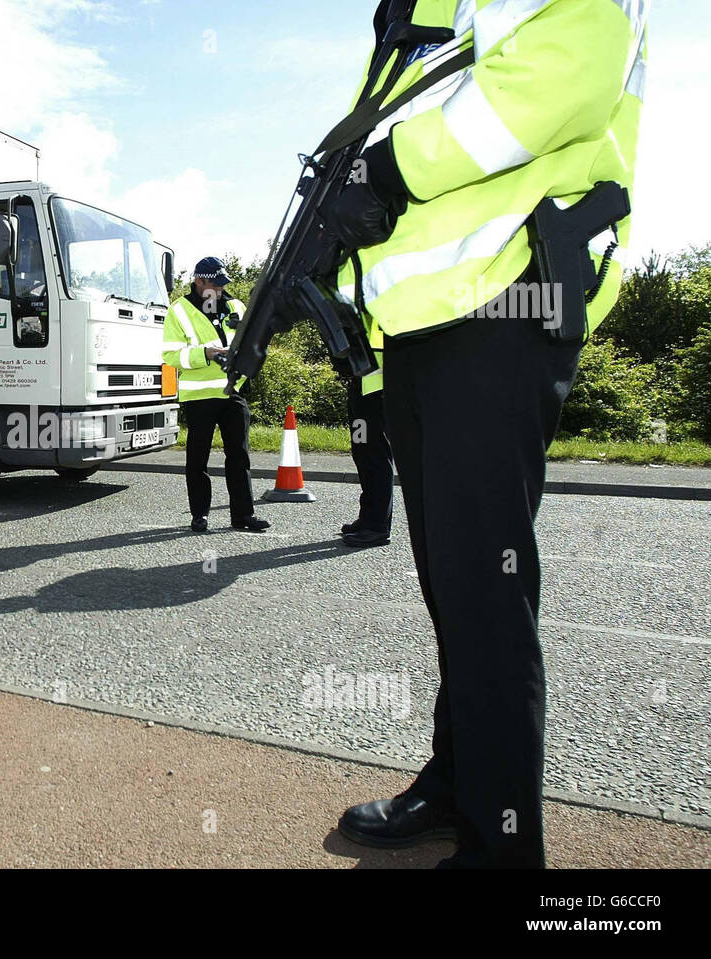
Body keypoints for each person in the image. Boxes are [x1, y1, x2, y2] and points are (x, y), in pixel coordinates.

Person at [326, 0, 646, 867]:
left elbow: (551, 83)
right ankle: (458, 783)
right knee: (454, 592)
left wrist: (386, 168)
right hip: (424, 328)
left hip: (507, 299)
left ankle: (504, 850)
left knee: (485, 599)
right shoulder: (428, 11)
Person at [162, 257, 270, 533]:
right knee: (198, 459)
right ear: (199, 281)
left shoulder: (235, 306)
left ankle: (243, 517)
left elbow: (250, 343)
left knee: (239, 455)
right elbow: (170, 355)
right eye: (214, 284)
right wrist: (205, 354)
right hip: (199, 397)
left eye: (223, 284)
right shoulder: (180, 310)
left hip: (232, 394)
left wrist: (243, 376)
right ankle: (200, 515)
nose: (220, 289)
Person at [335, 354, 393, 548]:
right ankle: (367, 518)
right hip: (360, 387)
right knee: (361, 452)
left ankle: (377, 526)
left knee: (374, 456)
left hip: (374, 391)